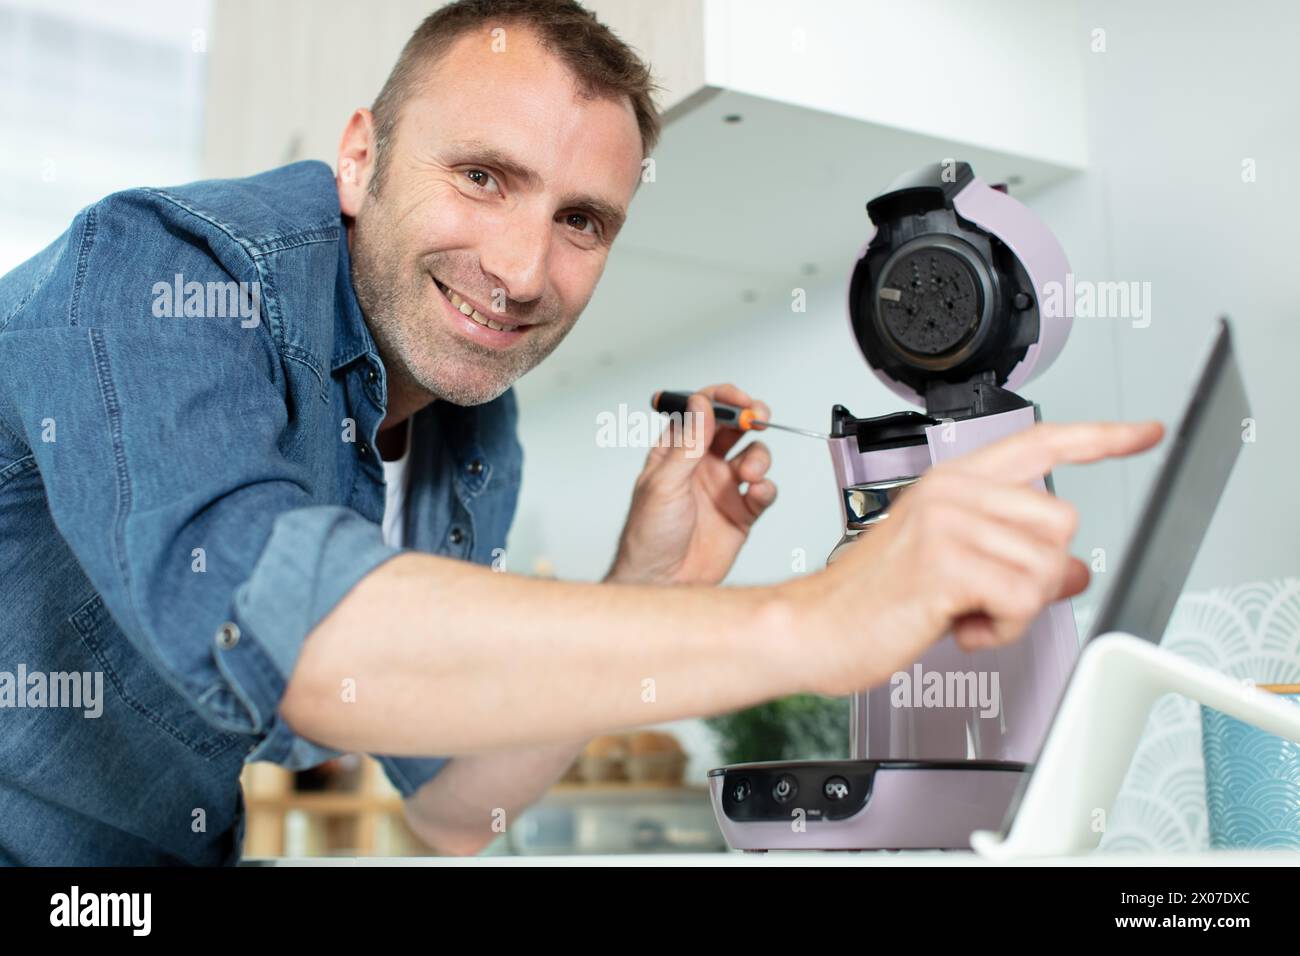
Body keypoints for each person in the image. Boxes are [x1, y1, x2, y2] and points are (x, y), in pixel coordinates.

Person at [0, 0, 1161, 864]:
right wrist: (813, 620)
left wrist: (652, 583)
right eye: (482, 176)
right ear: (360, 156)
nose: (518, 270)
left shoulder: (472, 423)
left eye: (581, 220)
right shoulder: (154, 271)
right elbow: (307, 647)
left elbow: (459, 808)